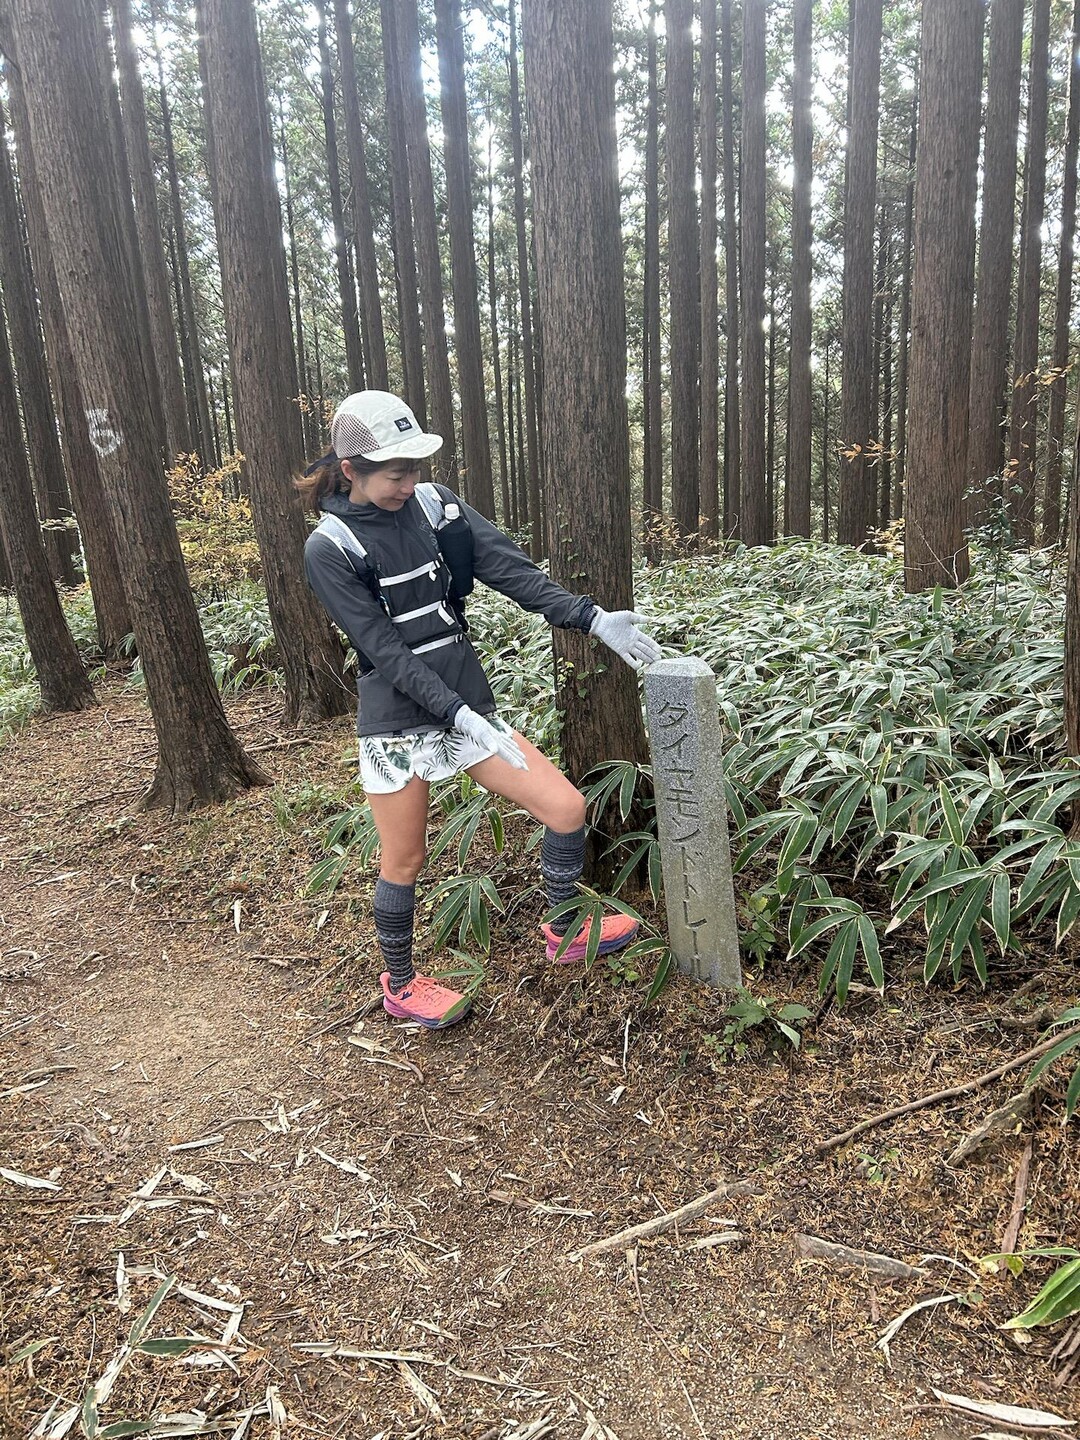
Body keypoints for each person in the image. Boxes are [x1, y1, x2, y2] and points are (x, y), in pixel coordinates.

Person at [299, 390, 660, 1030]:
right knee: (405, 859)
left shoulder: (438, 508)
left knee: (566, 806)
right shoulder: (332, 547)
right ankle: (402, 982)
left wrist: (591, 617)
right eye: (394, 473)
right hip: (398, 720)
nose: (409, 485)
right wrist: (455, 712)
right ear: (350, 469)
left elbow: (510, 571)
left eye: (415, 469)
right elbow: (382, 649)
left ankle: (563, 926)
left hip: (466, 704)